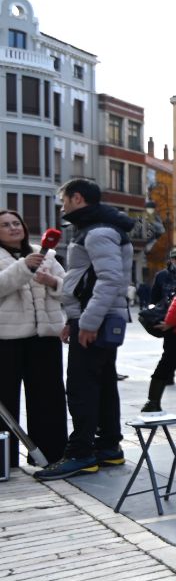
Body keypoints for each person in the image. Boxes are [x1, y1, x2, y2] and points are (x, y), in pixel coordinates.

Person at [38, 180, 135, 479]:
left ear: (77, 198)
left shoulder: (98, 232)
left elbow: (109, 279)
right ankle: (108, 447)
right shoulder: (98, 228)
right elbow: (87, 278)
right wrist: (73, 320)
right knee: (102, 384)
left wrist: (88, 322)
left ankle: (81, 453)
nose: (62, 207)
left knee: (82, 387)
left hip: (97, 320)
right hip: (96, 318)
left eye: (64, 200)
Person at [0, 209, 67, 471]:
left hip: (45, 338)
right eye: (5, 225)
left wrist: (52, 281)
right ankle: (4, 459)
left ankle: (52, 454)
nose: (13, 227)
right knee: (5, 399)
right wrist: (23, 267)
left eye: (16, 223)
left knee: (48, 397)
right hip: (6, 339)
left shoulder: (46, 254)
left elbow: (68, 289)